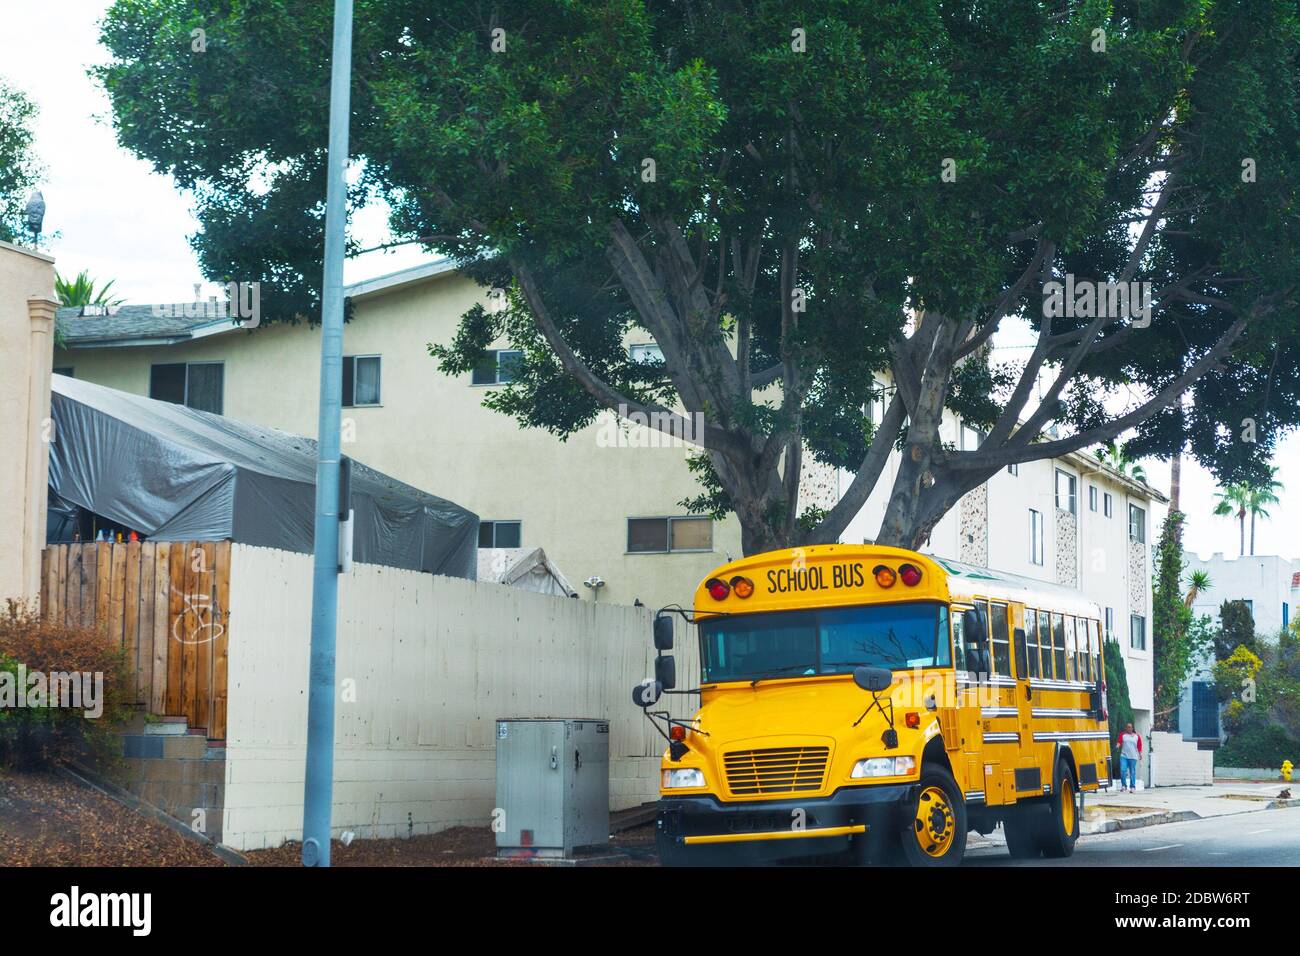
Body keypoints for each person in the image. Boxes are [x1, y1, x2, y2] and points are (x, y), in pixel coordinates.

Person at [1117, 722, 1142, 792]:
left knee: (1132, 772)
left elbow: (1139, 746)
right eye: (1127, 727)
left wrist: (1140, 754)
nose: (1129, 728)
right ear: (1126, 728)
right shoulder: (1123, 735)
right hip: (1124, 756)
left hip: (1133, 757)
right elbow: (1119, 742)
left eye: (1130, 727)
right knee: (1122, 770)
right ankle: (1124, 786)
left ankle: (1132, 787)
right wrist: (1117, 746)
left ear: (1132, 728)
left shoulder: (1137, 736)